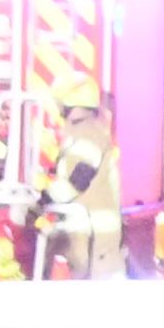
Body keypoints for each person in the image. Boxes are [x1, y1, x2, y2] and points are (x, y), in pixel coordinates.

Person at [34, 69, 123, 280]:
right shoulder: (84, 132)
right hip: (91, 234)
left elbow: (77, 180)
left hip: (94, 235)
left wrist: (42, 201)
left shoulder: (87, 134)